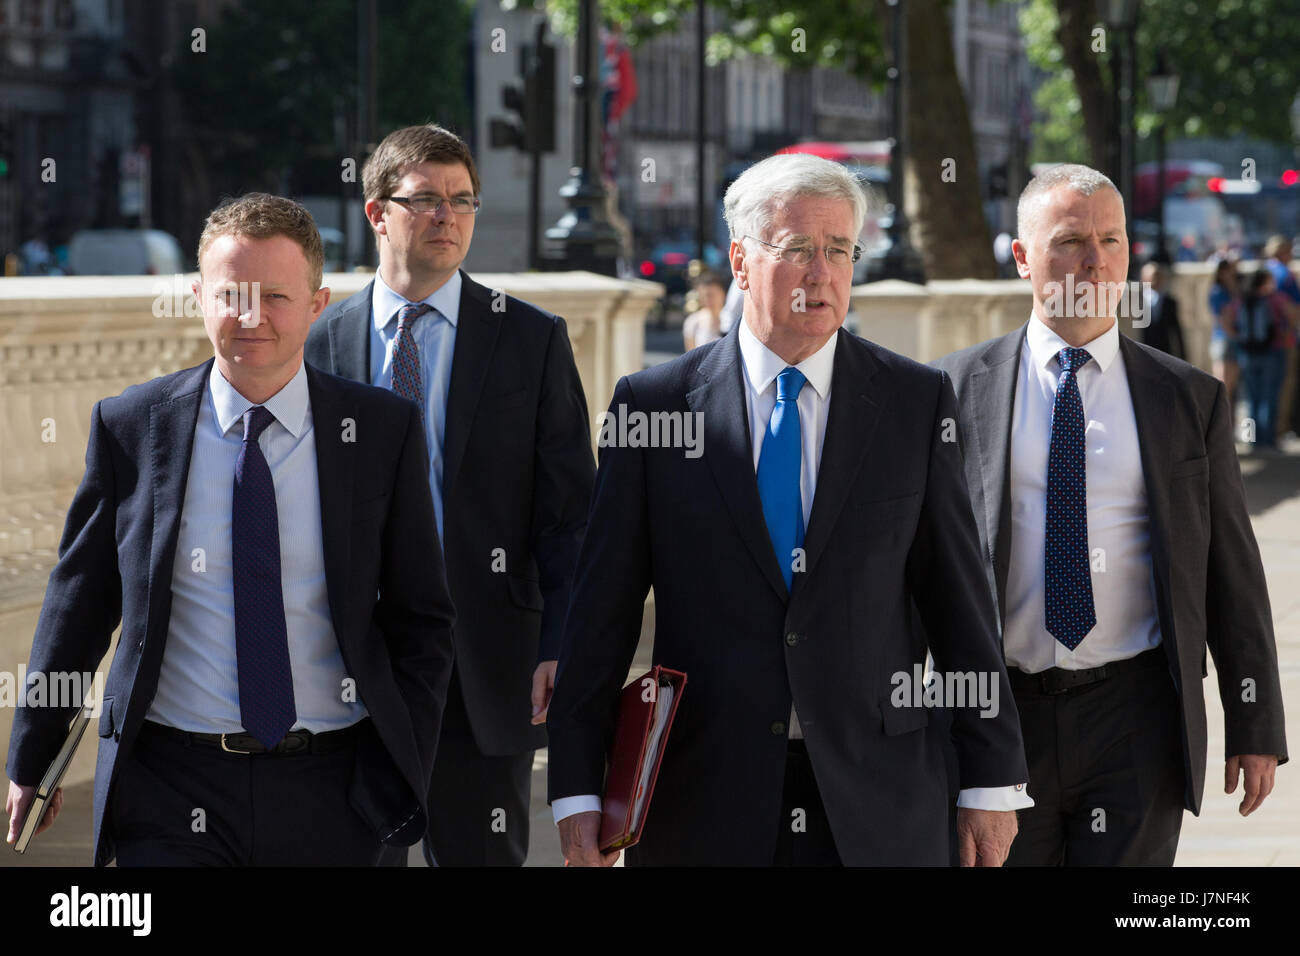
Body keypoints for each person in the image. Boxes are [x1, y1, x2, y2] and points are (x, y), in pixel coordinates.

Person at [546, 152, 1030, 868]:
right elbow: (601, 614)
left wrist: (992, 779)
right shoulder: (652, 407)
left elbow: (960, 604)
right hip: (705, 798)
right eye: (797, 248)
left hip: (878, 797)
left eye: (838, 250)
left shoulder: (914, 403)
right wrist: (579, 792)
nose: (821, 272)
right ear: (740, 262)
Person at [4, 194, 456, 866]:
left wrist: (402, 760)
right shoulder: (133, 426)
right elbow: (80, 600)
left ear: (318, 303)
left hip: (331, 788)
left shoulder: (379, 433)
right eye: (231, 293)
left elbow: (421, 617)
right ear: (198, 298)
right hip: (168, 787)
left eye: (275, 295)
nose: (251, 316)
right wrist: (32, 754)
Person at [934, 164, 1288, 866]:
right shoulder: (949, 391)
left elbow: (1230, 569)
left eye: (1112, 239)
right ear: (1023, 256)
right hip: (1000, 717)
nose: (1096, 261)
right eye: (1070, 240)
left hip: (1138, 719)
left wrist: (1256, 721)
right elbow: (918, 571)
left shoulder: (1188, 399)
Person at [304, 124, 595, 867]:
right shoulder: (317, 340)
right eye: (426, 200)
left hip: (486, 664)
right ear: (377, 213)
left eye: (462, 201)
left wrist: (561, 645)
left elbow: (569, 518)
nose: (448, 217)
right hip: (344, 666)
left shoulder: (530, 340)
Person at [1236, 267, 1292, 451]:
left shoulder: (1241, 300)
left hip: (1247, 353)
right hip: (1272, 351)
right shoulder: (1275, 299)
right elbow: (1293, 316)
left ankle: (1253, 440)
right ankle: (1269, 440)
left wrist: (1240, 339)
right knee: (1270, 397)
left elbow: (1227, 320)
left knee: (1251, 399)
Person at [1207, 257, 1241, 408]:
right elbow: (1222, 318)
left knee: (1232, 388)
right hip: (1223, 340)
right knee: (1223, 385)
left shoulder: (1232, 290)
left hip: (1233, 340)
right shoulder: (1217, 291)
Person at [1138, 261, 1184, 359]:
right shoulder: (1137, 301)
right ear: (1144, 278)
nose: (1156, 279)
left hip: (1165, 351)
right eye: (1153, 276)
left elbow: (1176, 329)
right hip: (1144, 351)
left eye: (1159, 276)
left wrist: (1182, 354)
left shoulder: (1170, 302)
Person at [681, 271, 726, 350]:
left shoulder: (732, 318)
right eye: (704, 296)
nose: (708, 300)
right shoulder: (692, 322)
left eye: (711, 295)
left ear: (722, 293)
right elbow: (691, 356)